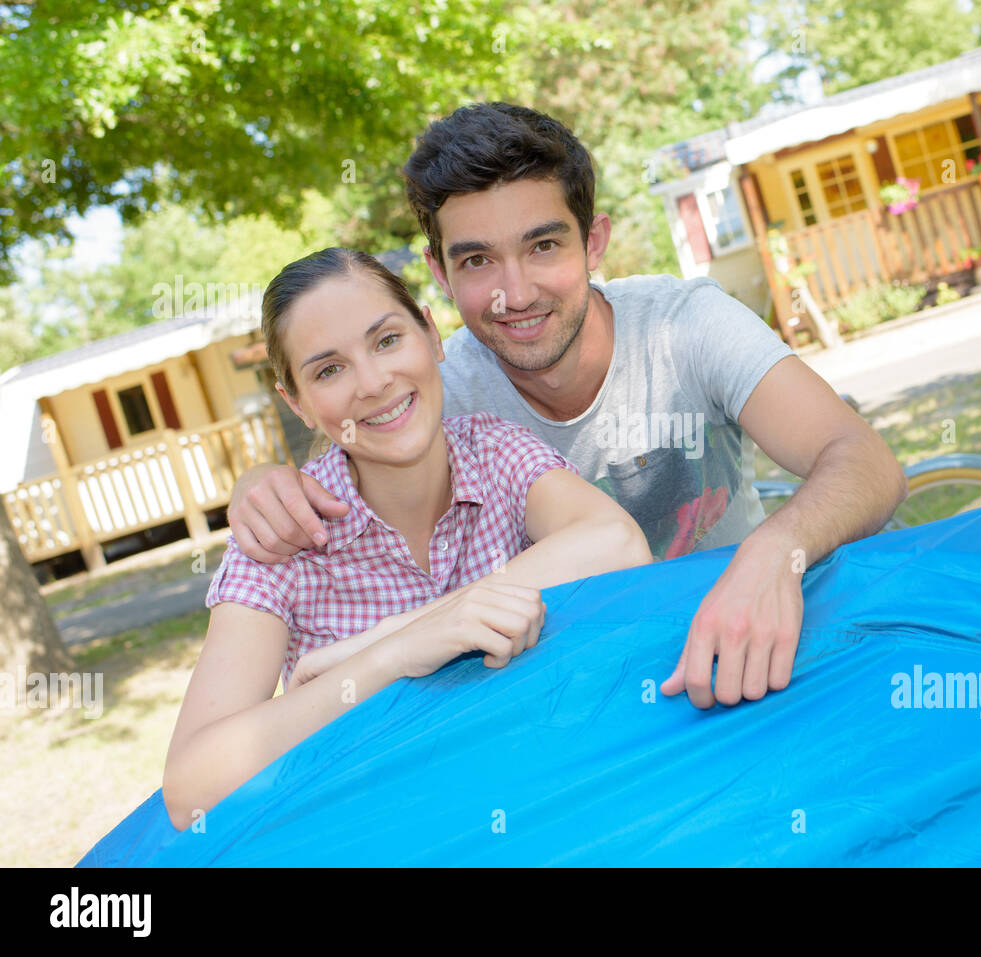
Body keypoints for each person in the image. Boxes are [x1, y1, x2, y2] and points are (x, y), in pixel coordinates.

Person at [228, 102, 908, 712]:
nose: (516, 293)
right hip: (587, 710)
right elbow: (342, 453)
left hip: (750, 661)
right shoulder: (430, 390)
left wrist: (774, 553)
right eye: (477, 261)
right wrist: (259, 483)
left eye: (543, 245)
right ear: (440, 274)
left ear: (594, 242)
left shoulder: (687, 326)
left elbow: (864, 460)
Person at [161, 248, 651, 831]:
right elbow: (191, 787)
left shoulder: (494, 451)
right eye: (329, 370)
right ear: (297, 403)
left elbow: (619, 543)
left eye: (387, 340)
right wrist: (390, 657)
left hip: (541, 805)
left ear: (431, 334)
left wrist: (407, 627)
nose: (373, 382)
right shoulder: (284, 535)